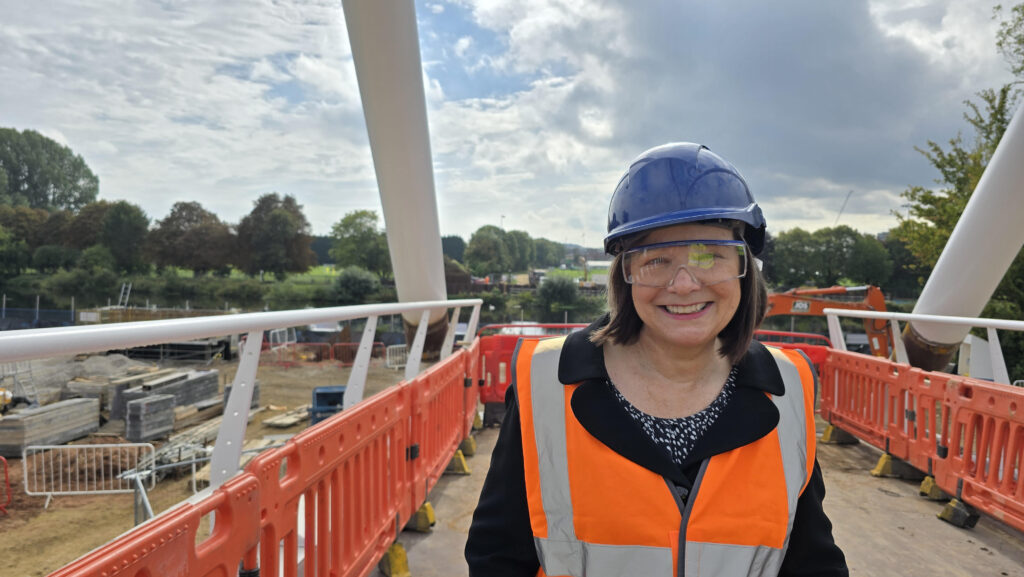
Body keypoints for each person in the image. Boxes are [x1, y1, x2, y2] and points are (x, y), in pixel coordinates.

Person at [465, 143, 848, 576]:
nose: (683, 284)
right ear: (625, 275)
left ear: (744, 268)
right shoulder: (548, 385)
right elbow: (497, 557)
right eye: (657, 260)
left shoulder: (787, 389)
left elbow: (811, 562)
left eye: (708, 255)